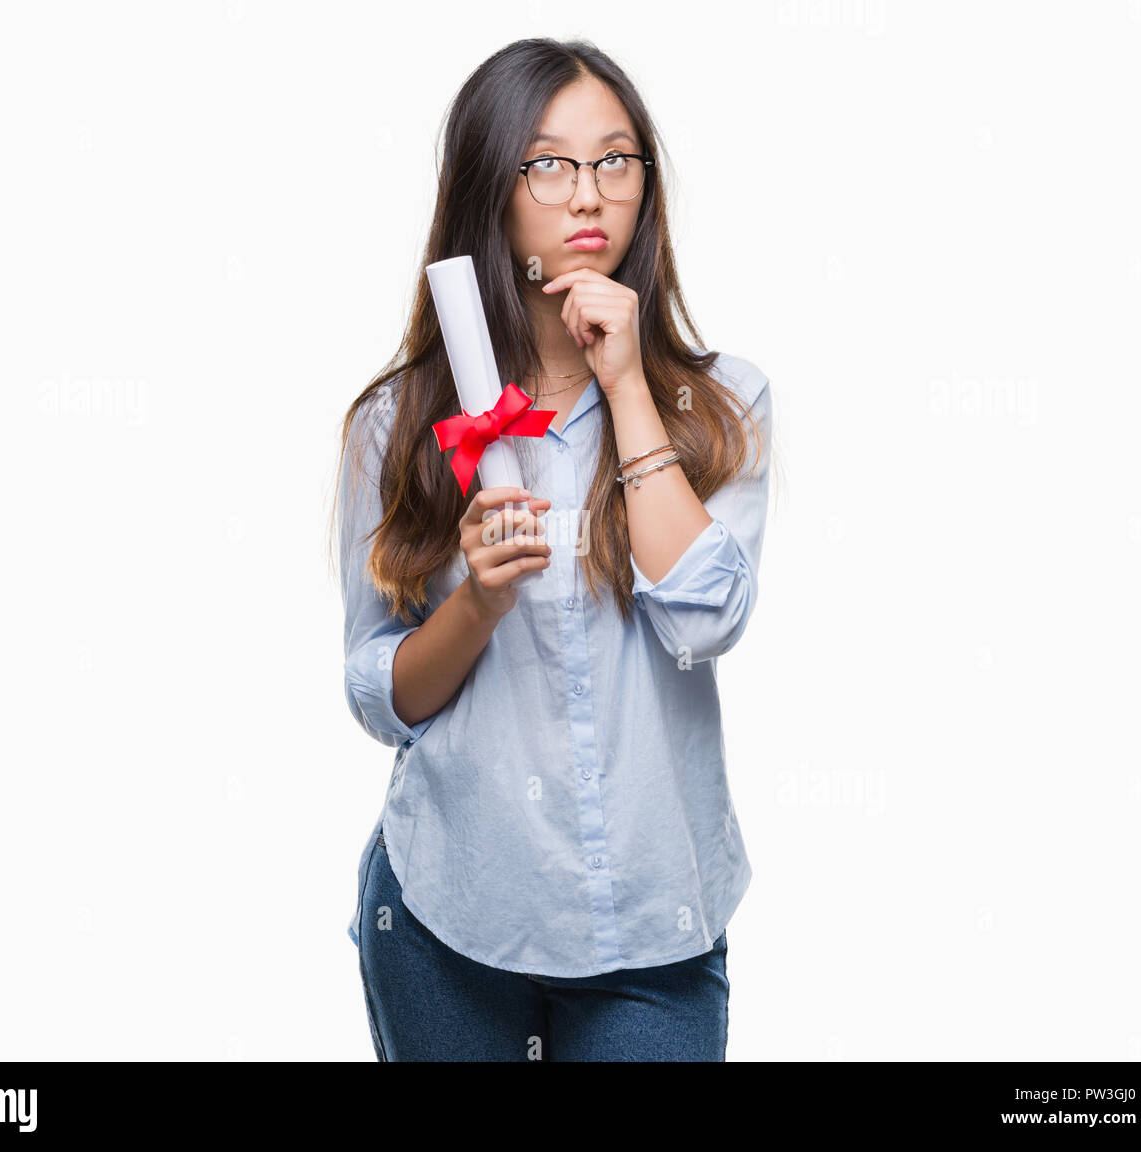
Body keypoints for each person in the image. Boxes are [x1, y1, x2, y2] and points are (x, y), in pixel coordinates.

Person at [330, 37, 774, 1061]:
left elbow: (705, 620)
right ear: (492, 189)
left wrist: (624, 387)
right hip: (449, 909)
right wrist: (474, 604)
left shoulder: (718, 406)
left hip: (651, 922)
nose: (588, 194)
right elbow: (377, 695)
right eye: (549, 164)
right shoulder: (399, 425)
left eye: (615, 161)